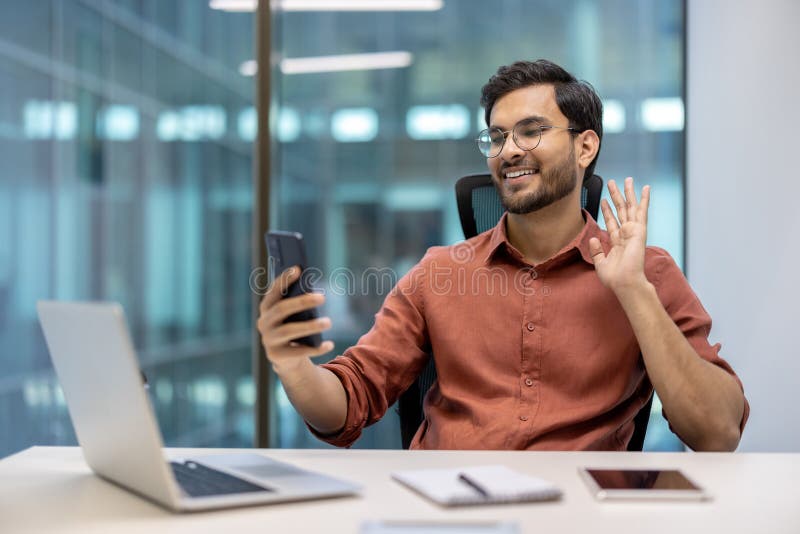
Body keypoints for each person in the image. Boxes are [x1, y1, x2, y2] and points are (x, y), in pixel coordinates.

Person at [257, 59, 749, 451]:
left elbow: (718, 433)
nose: (508, 150)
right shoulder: (439, 273)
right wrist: (294, 366)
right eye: (496, 137)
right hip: (445, 515)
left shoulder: (646, 272)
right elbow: (348, 404)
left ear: (585, 147)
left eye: (531, 131)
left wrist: (634, 293)